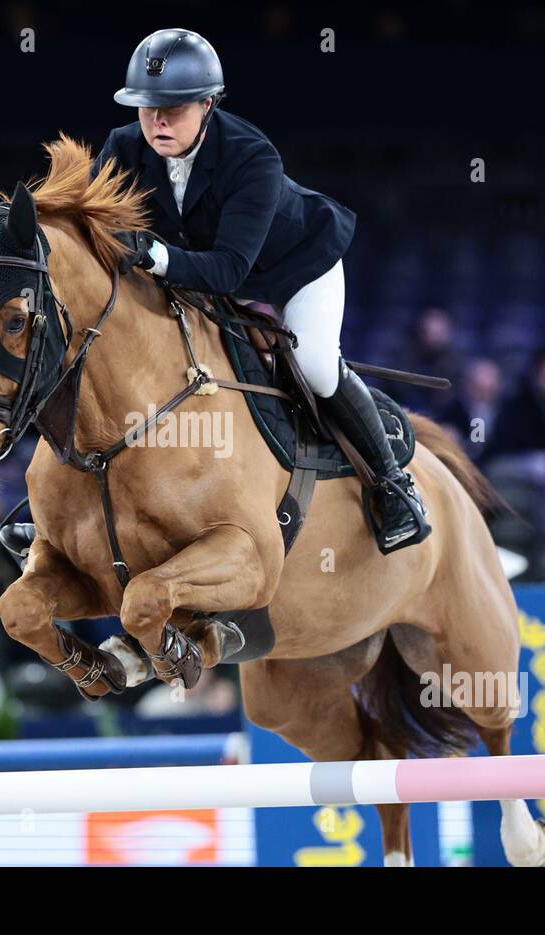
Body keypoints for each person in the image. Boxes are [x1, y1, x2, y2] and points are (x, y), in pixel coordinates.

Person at [90, 28, 428, 554]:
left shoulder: (251, 156)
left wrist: (153, 256)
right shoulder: (123, 147)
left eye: (174, 107)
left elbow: (227, 270)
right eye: (148, 106)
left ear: (207, 103)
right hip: (202, 273)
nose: (158, 120)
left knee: (314, 365)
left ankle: (393, 486)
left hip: (293, 267)